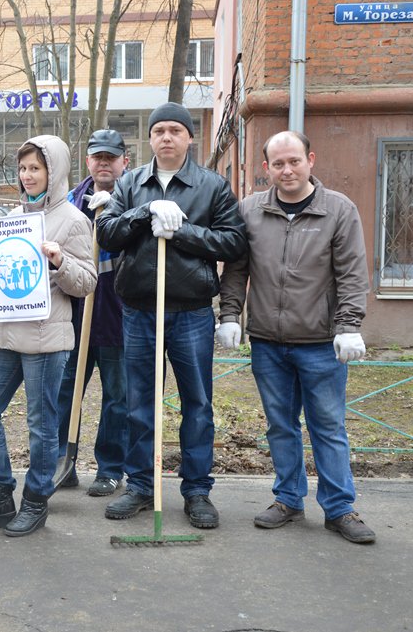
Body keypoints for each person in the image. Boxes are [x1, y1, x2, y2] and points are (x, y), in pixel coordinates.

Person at [217, 130, 375, 544]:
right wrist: (230, 314)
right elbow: (236, 270)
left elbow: (353, 274)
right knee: (280, 426)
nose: (287, 170)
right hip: (268, 342)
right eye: (278, 163)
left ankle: (340, 508)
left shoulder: (338, 210)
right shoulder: (250, 211)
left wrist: (349, 325)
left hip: (322, 344)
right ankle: (288, 498)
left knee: (327, 426)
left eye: (295, 161)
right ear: (266, 167)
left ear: (311, 160)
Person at [96, 102, 247, 529]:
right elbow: (107, 233)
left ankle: (197, 491)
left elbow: (233, 243)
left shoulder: (211, 186)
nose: (166, 137)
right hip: (140, 311)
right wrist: (144, 215)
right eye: (159, 130)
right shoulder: (130, 184)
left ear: (189, 137)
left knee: (197, 404)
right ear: (150, 139)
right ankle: (141, 486)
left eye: (174, 131)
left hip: (191, 313)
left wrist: (182, 231)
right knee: (139, 404)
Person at [0, 135, 97, 537]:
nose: (28, 176)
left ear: (53, 172)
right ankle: (1, 494)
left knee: (41, 424)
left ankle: (36, 500)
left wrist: (59, 261)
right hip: (8, 335)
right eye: (23, 168)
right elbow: (7, 277)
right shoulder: (12, 218)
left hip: (46, 338)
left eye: (36, 168)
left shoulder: (73, 220)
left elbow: (88, 282)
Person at [54, 129, 130, 496]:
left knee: (118, 397)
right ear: (88, 161)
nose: (103, 162)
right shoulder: (70, 201)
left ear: (123, 162)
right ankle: (61, 461)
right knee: (65, 392)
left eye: (110, 157)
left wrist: (117, 212)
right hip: (74, 317)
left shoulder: (134, 198)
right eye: (97, 156)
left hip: (118, 320)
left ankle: (110, 468)